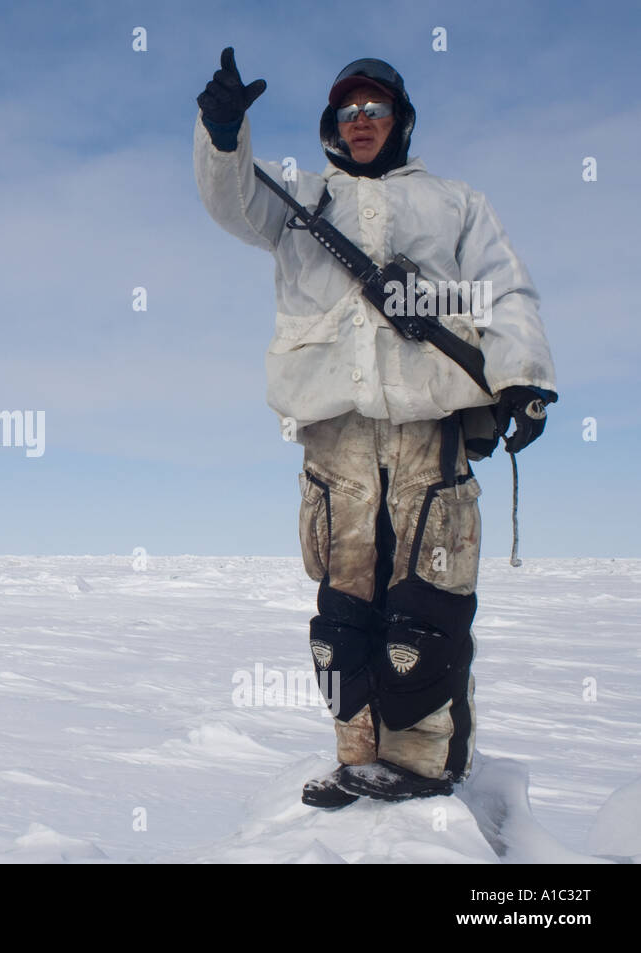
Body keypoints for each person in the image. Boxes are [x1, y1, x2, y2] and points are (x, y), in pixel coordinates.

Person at [194, 50, 557, 804]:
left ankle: (423, 764)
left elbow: (505, 290)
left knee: (426, 599)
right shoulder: (298, 202)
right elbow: (230, 200)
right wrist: (222, 130)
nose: (361, 123)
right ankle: (357, 755)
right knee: (344, 605)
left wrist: (523, 378)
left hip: (430, 421)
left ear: (400, 120)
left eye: (375, 109)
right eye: (348, 112)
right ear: (333, 126)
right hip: (335, 431)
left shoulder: (456, 203)